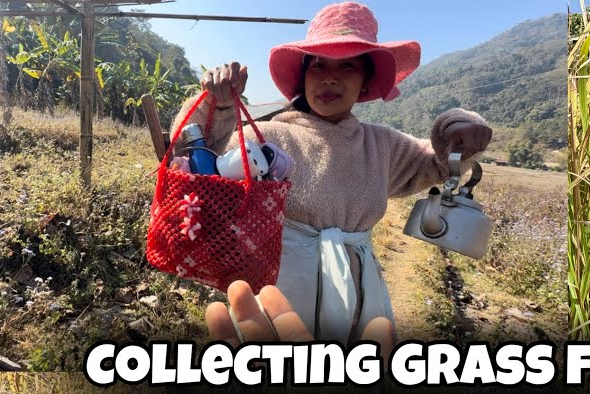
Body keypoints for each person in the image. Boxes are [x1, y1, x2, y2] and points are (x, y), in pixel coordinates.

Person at [170, 1, 492, 344]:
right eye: (318, 64)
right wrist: (215, 104)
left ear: (366, 78)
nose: (329, 77)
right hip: (277, 289)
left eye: (348, 65)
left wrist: (463, 126)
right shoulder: (268, 137)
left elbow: (440, 161)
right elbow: (198, 158)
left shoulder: (382, 144)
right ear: (302, 74)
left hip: (360, 289)